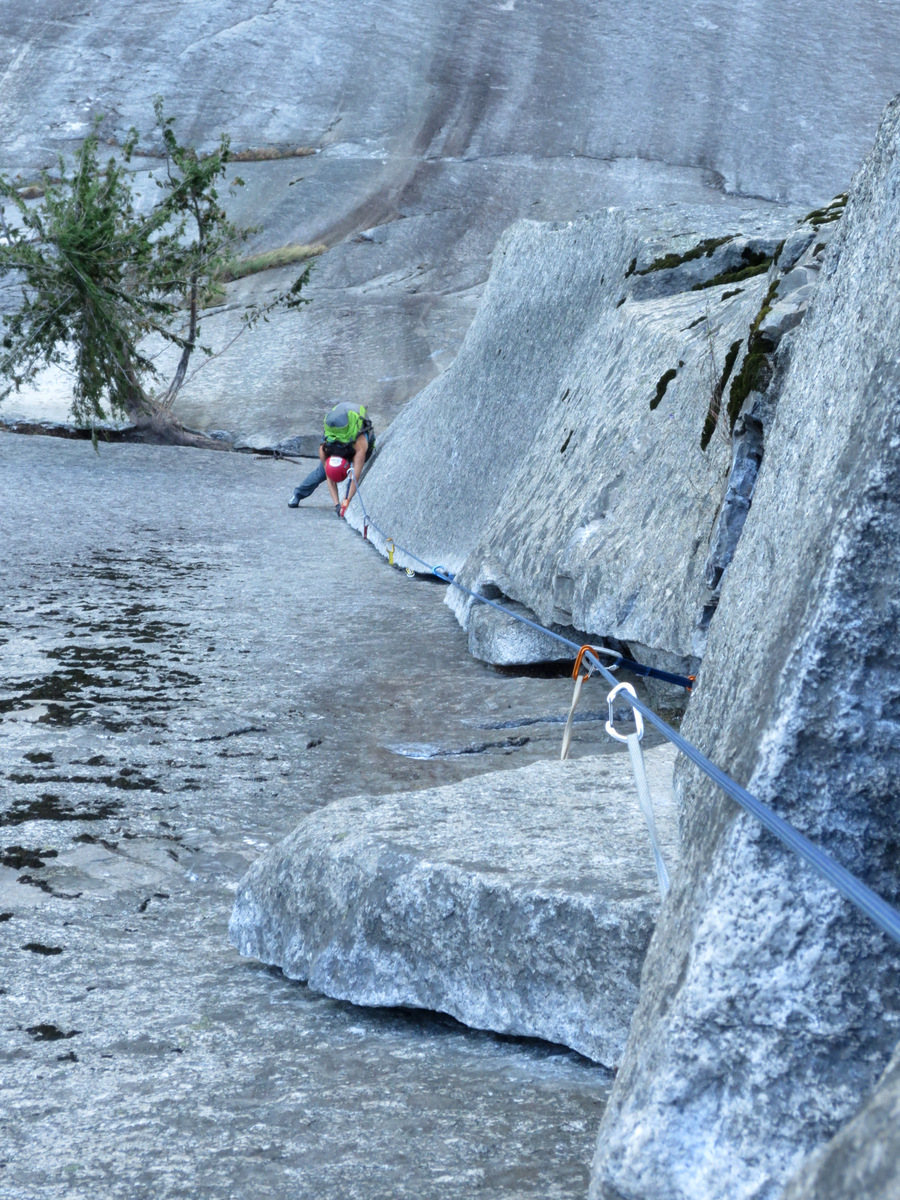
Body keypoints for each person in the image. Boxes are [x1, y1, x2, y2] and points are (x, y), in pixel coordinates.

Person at [287, 401, 375, 516]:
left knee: (354, 472)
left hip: (360, 438)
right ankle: (298, 494)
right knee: (320, 473)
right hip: (340, 438)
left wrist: (346, 501)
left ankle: (348, 498)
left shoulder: (359, 445)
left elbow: (354, 478)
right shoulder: (324, 449)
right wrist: (337, 504)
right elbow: (330, 478)